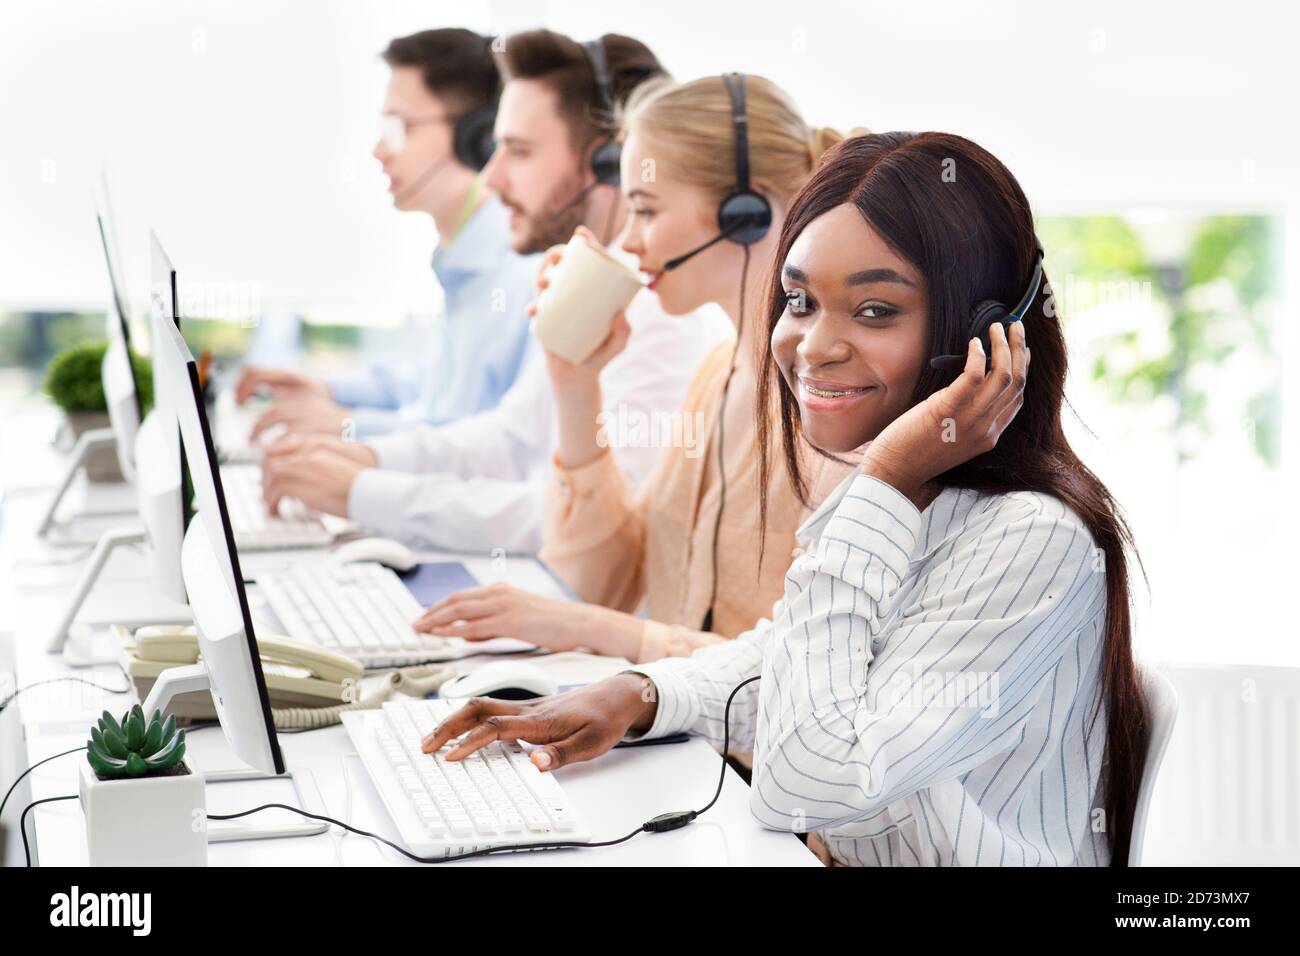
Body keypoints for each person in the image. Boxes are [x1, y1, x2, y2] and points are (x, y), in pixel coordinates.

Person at [420, 132, 1151, 868]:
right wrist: (638, 694)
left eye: (873, 310)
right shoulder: (914, 491)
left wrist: (884, 482)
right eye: (800, 300)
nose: (814, 345)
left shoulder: (1029, 535)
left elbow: (804, 783)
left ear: (984, 335)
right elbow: (799, 660)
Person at [413, 74, 856, 664]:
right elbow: (604, 583)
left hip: (736, 751)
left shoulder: (834, 407)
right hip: (670, 734)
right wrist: (576, 384)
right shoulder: (716, 380)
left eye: (645, 210)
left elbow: (791, 668)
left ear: (743, 214)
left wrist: (585, 626)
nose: (626, 240)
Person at [259, 31, 729, 555]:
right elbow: (511, 439)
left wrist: (366, 491)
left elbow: (588, 526)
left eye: (519, 152)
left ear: (608, 162)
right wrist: (368, 460)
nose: (493, 177)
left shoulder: (660, 309)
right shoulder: (599, 278)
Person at [235, 28, 539, 440]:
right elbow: (432, 386)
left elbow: (474, 441)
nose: (379, 150)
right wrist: (328, 389)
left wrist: (346, 428)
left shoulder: (519, 274)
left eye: (400, 126)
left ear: (477, 137)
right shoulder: (461, 259)